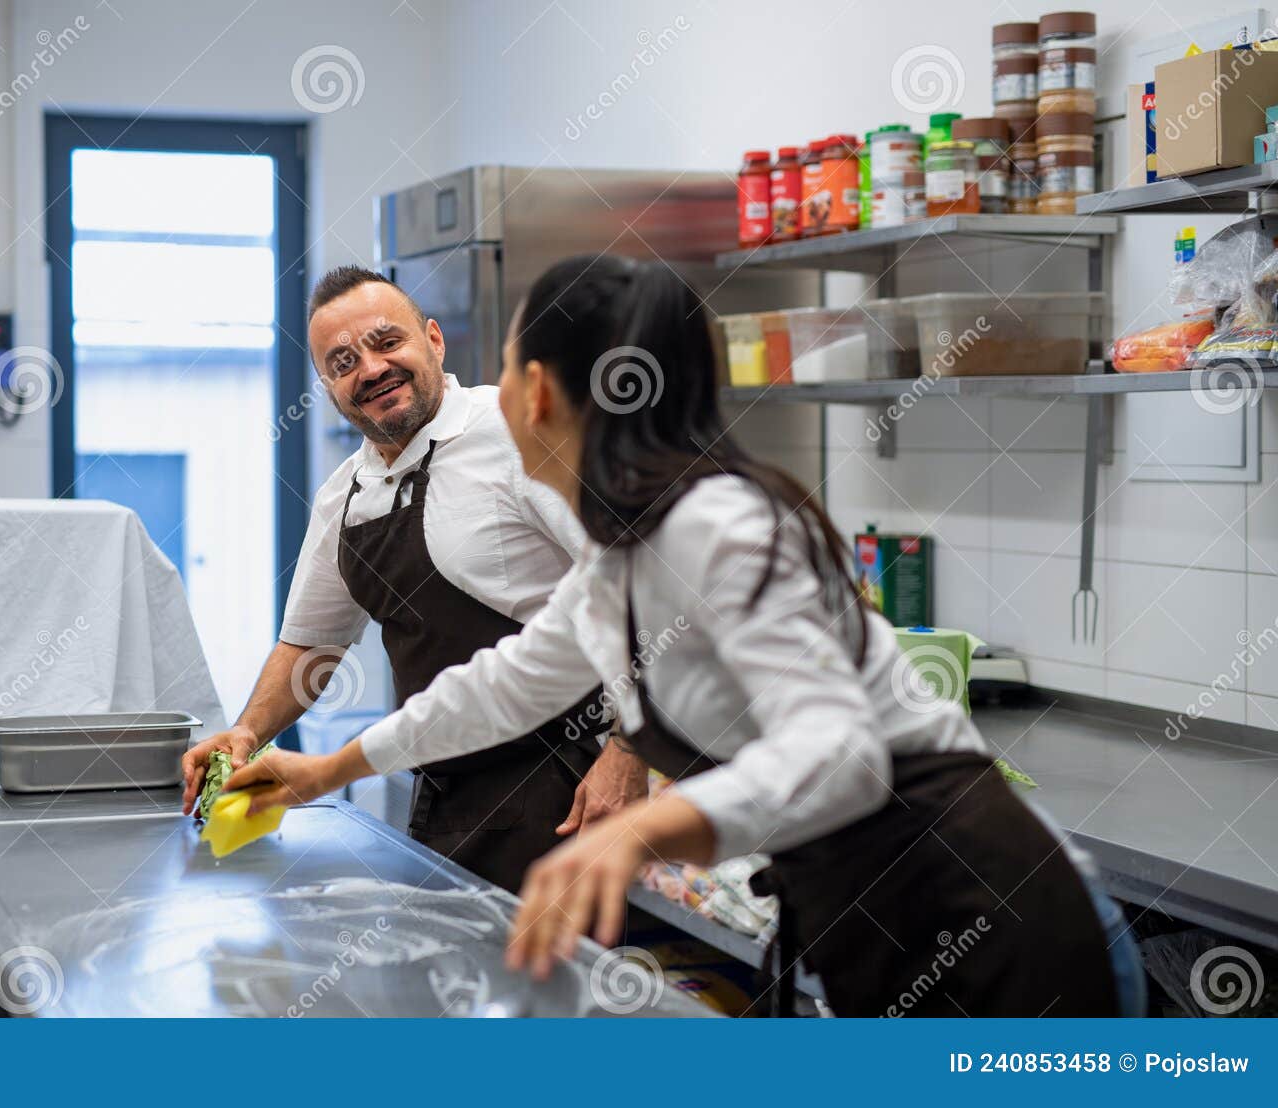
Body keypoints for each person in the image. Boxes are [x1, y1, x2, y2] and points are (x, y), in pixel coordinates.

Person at [224, 255, 1148, 1017]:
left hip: (988, 912)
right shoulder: (620, 559)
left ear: (539, 394)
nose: (492, 394)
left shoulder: (715, 523)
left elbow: (840, 754)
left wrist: (635, 833)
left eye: (505, 369)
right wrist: (326, 770)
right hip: (867, 917)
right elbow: (499, 687)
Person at [180, 265, 647, 894]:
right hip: (445, 794)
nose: (371, 369)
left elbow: (639, 582)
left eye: (386, 342)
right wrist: (248, 731)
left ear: (433, 340)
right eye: (343, 362)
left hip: (567, 783)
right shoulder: (344, 496)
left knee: (553, 961)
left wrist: (629, 751)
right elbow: (311, 644)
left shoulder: (518, 431)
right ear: (328, 388)